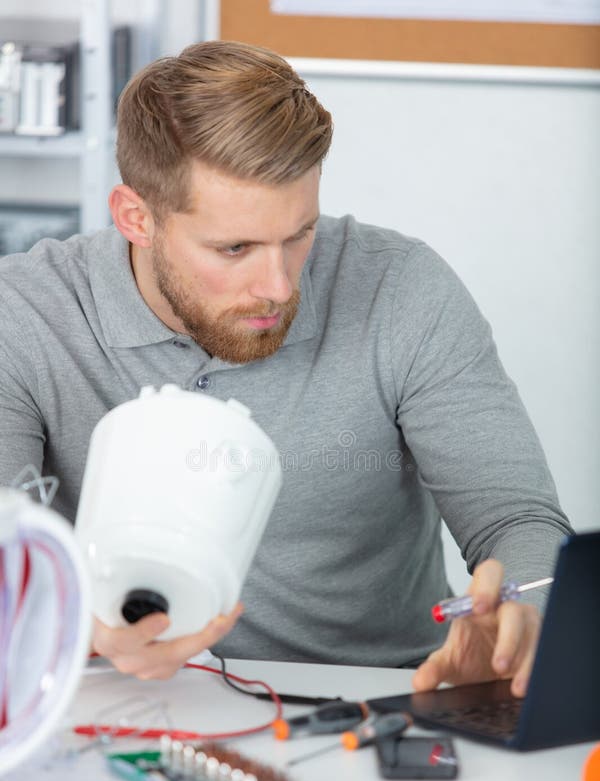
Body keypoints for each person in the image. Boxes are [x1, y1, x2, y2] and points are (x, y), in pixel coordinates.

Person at [0, 41, 570, 689]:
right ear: (137, 218)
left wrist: (527, 610)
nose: (277, 285)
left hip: (378, 699)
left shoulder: (404, 288)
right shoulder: (22, 314)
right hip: (110, 702)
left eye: (299, 233)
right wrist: (72, 626)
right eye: (234, 247)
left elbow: (521, 523)